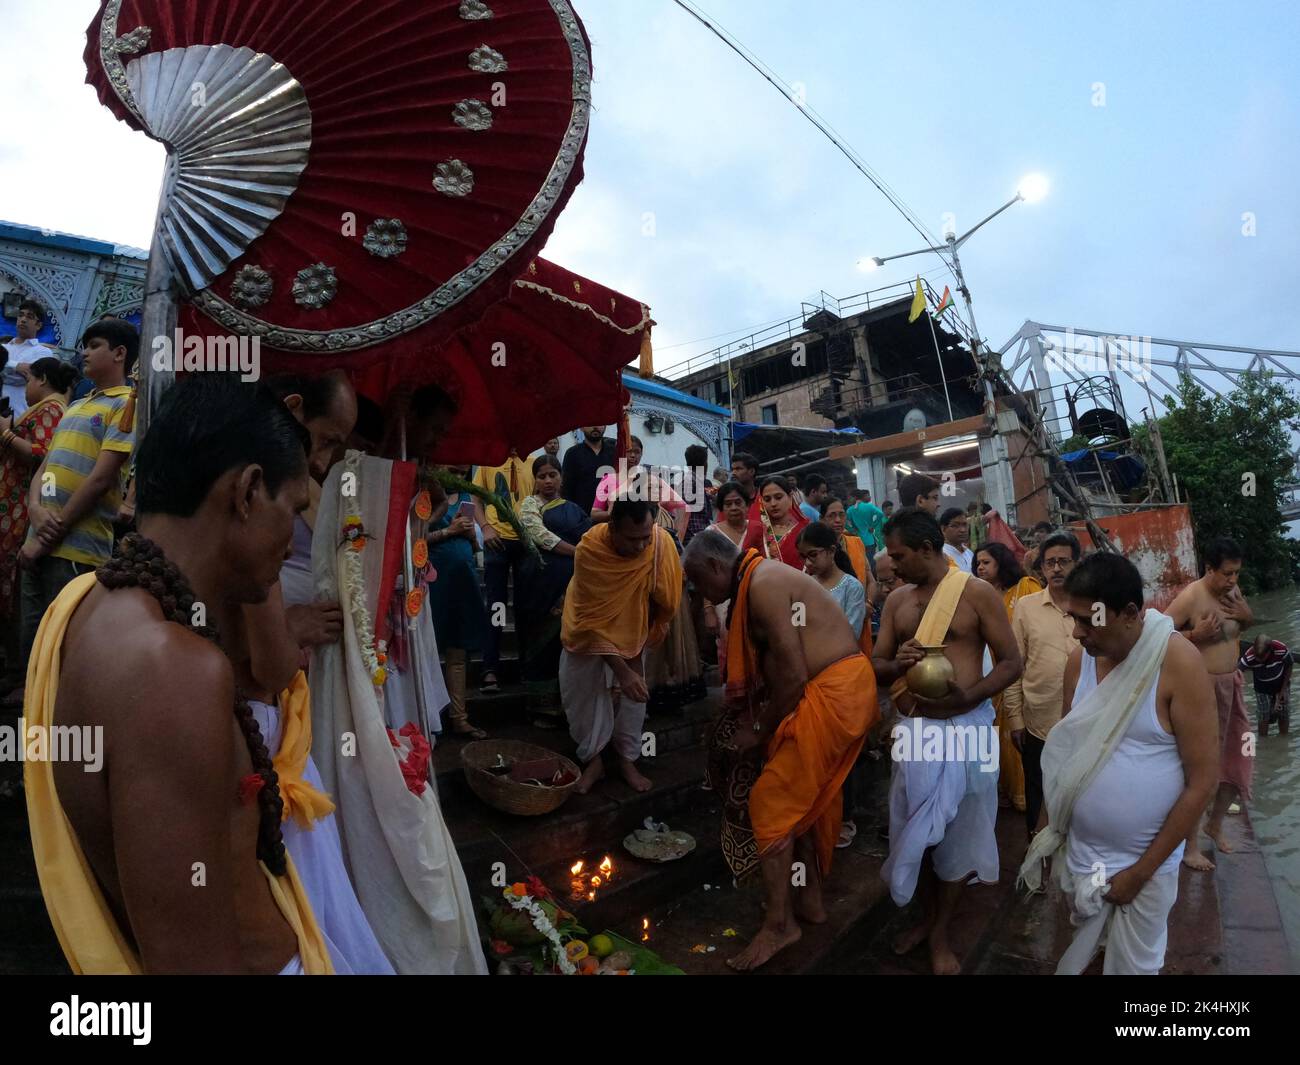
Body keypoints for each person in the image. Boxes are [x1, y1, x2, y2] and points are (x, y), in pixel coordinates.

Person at [25, 376, 335, 973]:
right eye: (292, 511)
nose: (290, 540)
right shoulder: (170, 669)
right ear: (246, 491)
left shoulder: (98, 602)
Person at [308, 381, 485, 974]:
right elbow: (352, 550)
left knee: (397, 760)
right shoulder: (345, 479)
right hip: (337, 642)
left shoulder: (400, 481)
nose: (434, 445)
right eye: (429, 432)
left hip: (390, 639)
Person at [683, 529, 877, 970]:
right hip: (830, 688)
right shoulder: (757, 578)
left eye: (697, 582)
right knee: (799, 804)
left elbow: (790, 672)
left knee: (769, 802)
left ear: (716, 567)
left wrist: (757, 728)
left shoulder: (764, 584)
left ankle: (779, 926)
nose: (700, 592)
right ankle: (808, 900)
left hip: (832, 691)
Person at [1018, 553, 1218, 976]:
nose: (1078, 633)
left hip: (1144, 864)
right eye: (1074, 619)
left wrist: (1140, 874)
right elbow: (1067, 761)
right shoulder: (1080, 663)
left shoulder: (1177, 663)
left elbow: (1202, 781)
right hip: (1083, 854)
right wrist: (1044, 830)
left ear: (1131, 613)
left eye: (1089, 621)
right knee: (1087, 951)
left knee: (1135, 967)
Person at [873, 507, 1021, 975]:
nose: (892, 565)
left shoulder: (975, 594)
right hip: (917, 728)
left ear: (927, 549)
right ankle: (925, 918)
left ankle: (939, 934)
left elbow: (1011, 662)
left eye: (899, 556)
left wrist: (967, 698)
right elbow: (874, 666)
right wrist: (898, 662)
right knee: (917, 831)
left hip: (969, 726)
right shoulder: (898, 602)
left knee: (960, 833)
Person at [16, 318, 137, 701]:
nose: (83, 352)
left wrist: (51, 531)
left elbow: (102, 480)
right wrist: (35, 509)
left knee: (61, 640)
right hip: (40, 535)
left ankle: (50, 714)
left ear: (119, 354)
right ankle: (29, 698)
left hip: (76, 548)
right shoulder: (78, 404)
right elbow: (45, 468)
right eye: (84, 344)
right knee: (31, 633)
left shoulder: (125, 405)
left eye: (94, 345)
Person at [560, 499, 682, 794]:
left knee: (634, 701)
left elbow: (661, 600)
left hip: (634, 631)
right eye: (632, 539)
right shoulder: (590, 550)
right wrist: (622, 672)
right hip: (585, 634)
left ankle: (627, 759)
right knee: (581, 694)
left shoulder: (660, 544)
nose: (641, 547)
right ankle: (594, 760)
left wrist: (633, 660)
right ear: (612, 527)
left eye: (646, 537)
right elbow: (591, 621)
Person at [1165, 536, 1255, 869]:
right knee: (1200, 770)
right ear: (1209, 569)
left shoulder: (1233, 593)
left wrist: (1247, 616)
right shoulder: (1191, 596)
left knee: (1244, 755)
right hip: (1202, 691)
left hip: (1233, 686)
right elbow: (1158, 635)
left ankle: (1214, 824)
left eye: (1237, 574)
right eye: (1227, 574)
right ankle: (1189, 846)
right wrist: (1194, 636)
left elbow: (1241, 628)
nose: (1233, 581)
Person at [0, 358, 74, 692]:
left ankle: (18, 672)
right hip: (13, 504)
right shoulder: (47, 407)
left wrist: (4, 434)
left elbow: (39, 452)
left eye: (28, 379)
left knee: (15, 587)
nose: (24, 387)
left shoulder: (51, 410)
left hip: (20, 507)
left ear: (42, 380)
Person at [1002, 531, 1081, 839]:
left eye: (1063, 561)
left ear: (1077, 563)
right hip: (1039, 721)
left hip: (1086, 719)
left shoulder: (1092, 605)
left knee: (1083, 790)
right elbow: (1014, 666)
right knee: (1039, 790)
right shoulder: (1025, 607)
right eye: (1050, 563)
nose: (1057, 569)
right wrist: (1015, 718)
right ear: (1041, 568)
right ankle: (1038, 855)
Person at [516, 454, 591, 727]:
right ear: (534, 480)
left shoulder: (573, 509)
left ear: (561, 477)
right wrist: (577, 552)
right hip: (539, 582)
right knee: (541, 641)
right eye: (542, 476)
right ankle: (540, 707)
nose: (548, 481)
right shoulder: (528, 506)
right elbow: (539, 535)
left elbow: (589, 537)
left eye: (552, 475)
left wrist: (584, 555)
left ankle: (568, 703)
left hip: (571, 582)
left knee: (567, 640)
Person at [974, 541, 1043, 816]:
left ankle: (1030, 796)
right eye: (977, 563)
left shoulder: (1025, 587)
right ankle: (1005, 790)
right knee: (999, 736)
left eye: (986, 562)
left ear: (1002, 562)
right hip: (994, 675)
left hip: (1025, 674)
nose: (980, 567)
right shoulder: (979, 595)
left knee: (1024, 735)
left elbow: (1038, 626)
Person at [427, 464, 488, 738]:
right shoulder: (425, 498)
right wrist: (449, 531)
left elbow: (475, 546)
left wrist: (473, 538)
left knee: (458, 650)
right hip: (432, 581)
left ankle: (459, 717)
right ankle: (429, 720)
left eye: (464, 473)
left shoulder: (466, 498)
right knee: (429, 651)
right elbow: (412, 538)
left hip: (463, 580)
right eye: (453, 471)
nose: (459, 478)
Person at [474, 446, 534, 695]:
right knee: (496, 607)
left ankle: (528, 668)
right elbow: (476, 498)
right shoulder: (488, 461)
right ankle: (490, 668)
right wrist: (486, 527)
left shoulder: (533, 462)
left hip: (526, 544)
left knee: (526, 608)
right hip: (497, 542)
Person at [702, 481, 749, 676]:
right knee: (729, 649)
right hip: (724, 604)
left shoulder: (760, 529)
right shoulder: (711, 534)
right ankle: (734, 698)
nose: (734, 508)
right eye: (728, 504)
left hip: (757, 599)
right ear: (721, 507)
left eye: (738, 502)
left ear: (747, 504)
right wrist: (708, 610)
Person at [740, 474, 810, 569]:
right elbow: (746, 565)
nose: (773, 504)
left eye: (778, 497)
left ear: (790, 497)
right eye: (767, 499)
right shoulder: (756, 531)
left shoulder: (805, 530)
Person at [818, 495, 876, 601]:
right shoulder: (816, 550)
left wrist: (869, 603)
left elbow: (871, 581)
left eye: (842, 515)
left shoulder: (856, 542)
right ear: (821, 519)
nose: (838, 520)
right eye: (832, 516)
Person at [1240, 634, 1291, 737]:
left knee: (1283, 714)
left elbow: (1289, 665)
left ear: (1270, 650)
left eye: (1262, 658)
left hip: (1281, 685)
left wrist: (1282, 692)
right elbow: (1236, 674)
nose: (1259, 660)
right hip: (1262, 689)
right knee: (1263, 716)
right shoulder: (1249, 657)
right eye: (1257, 657)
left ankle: (1284, 740)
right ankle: (1264, 743)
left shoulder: (1281, 649)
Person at [561, 425, 617, 516]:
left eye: (599, 423)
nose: (595, 427)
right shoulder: (572, 454)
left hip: (610, 516)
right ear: (582, 427)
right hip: (581, 518)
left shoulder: (615, 452)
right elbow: (566, 491)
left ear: (605, 426)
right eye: (591, 423)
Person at [682, 444, 714, 545]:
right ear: (705, 464)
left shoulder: (690, 480)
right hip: (695, 538)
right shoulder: (693, 482)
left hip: (694, 537)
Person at [846, 488, 886, 561]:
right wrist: (872, 526)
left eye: (849, 498)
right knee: (871, 562)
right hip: (870, 540)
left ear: (855, 497)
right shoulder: (869, 506)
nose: (848, 500)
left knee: (861, 562)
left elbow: (844, 522)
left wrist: (852, 530)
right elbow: (880, 514)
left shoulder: (850, 510)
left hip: (858, 540)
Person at [730, 450, 764, 520]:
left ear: (751, 471)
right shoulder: (728, 499)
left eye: (738, 469)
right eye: (732, 469)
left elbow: (769, 527)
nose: (733, 473)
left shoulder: (764, 498)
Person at [940, 507, 973, 572]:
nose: (962, 530)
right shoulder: (941, 555)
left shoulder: (969, 553)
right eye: (955, 525)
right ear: (943, 529)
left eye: (965, 525)